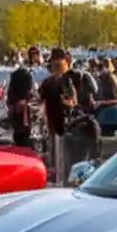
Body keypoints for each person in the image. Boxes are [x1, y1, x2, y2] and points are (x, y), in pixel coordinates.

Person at [38, 48, 78, 184]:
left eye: (59, 65)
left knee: (66, 153)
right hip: (52, 121)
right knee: (54, 151)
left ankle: (65, 177)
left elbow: (74, 101)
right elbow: (41, 101)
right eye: (54, 65)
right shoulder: (47, 83)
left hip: (68, 122)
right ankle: (57, 177)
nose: (56, 68)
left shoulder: (70, 80)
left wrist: (67, 103)